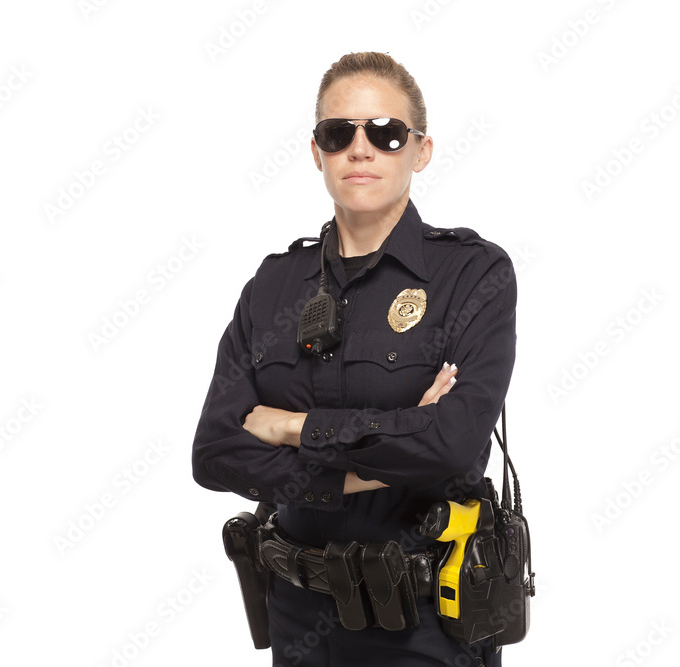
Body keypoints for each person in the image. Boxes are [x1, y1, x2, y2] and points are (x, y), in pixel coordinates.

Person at [192, 52, 517, 666]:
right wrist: (371, 464)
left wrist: (292, 428)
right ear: (317, 151)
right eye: (339, 134)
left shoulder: (473, 274)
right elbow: (214, 452)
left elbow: (452, 443)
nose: (360, 150)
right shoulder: (273, 286)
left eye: (386, 134)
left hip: (425, 626)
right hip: (297, 614)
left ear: (420, 151)